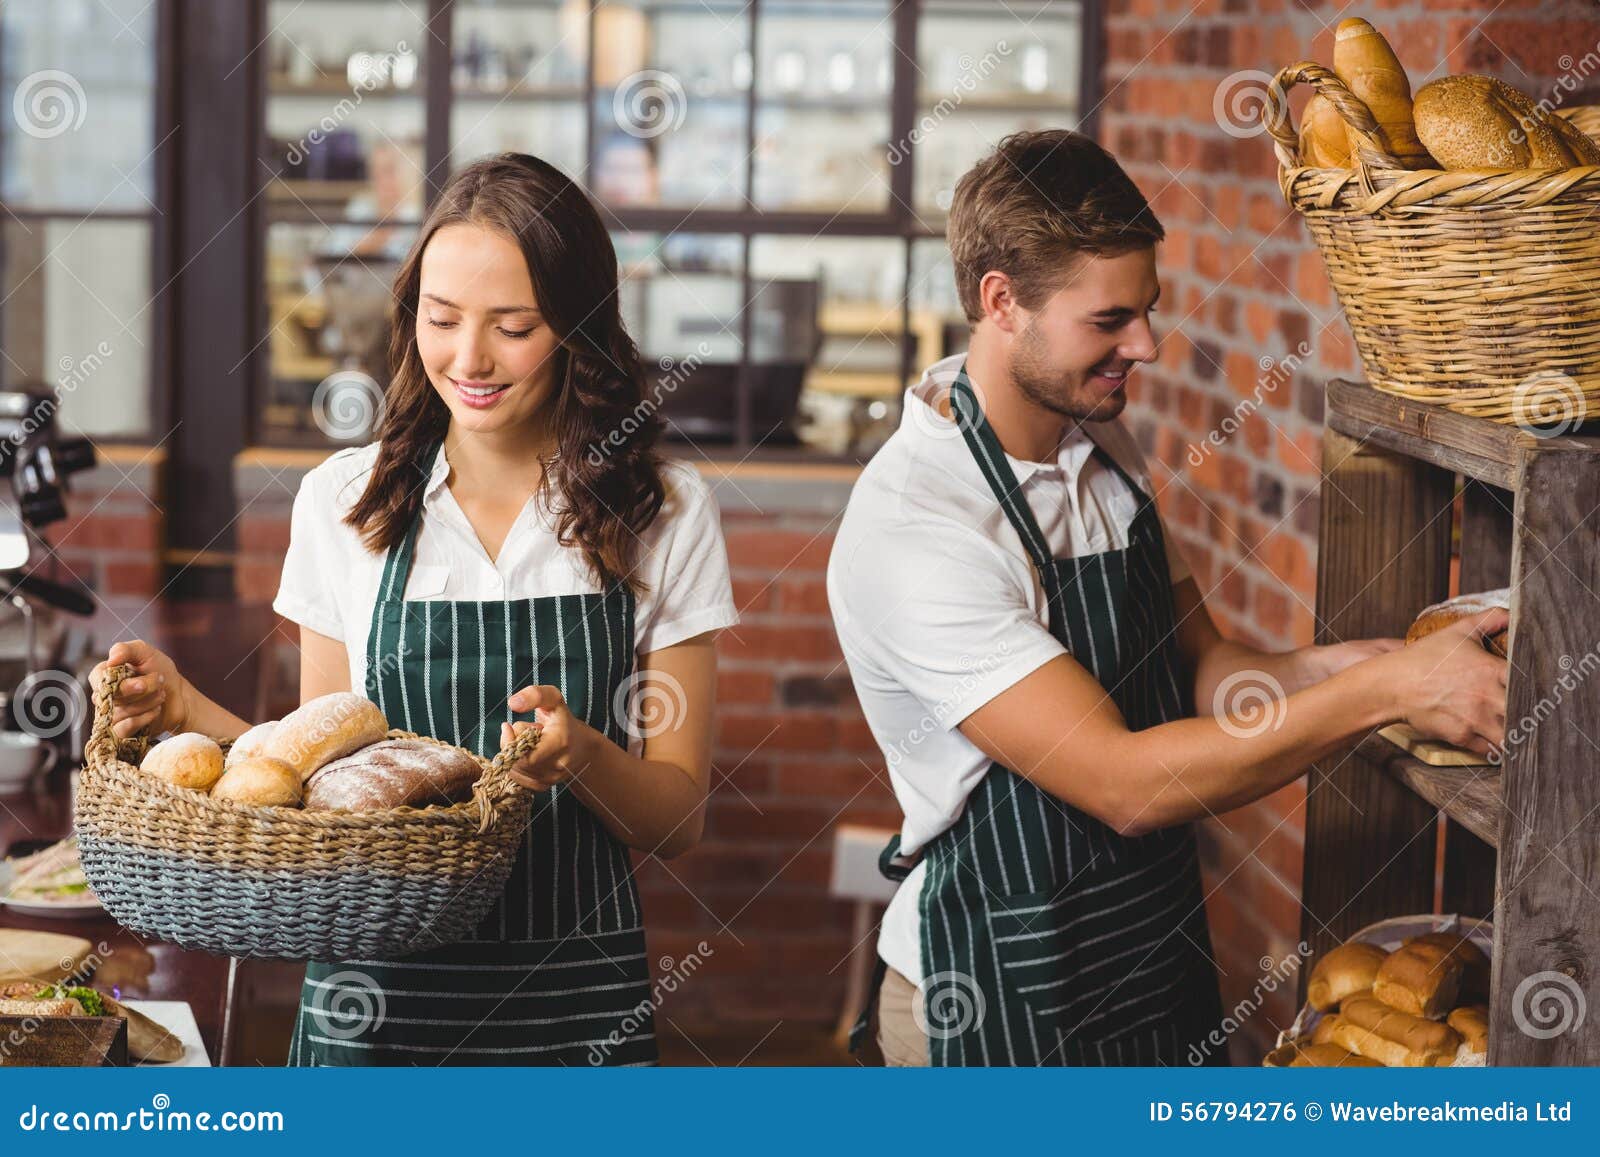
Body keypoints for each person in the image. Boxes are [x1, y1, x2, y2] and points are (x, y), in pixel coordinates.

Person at [826, 129, 1508, 1067]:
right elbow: (1125, 783)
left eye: (1147, 310)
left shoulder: (1100, 444)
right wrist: (1385, 698)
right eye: (1109, 320)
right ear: (1001, 302)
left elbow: (1207, 671)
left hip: (1152, 958)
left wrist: (1348, 667)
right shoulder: (918, 522)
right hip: (993, 992)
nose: (1143, 346)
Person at [93, 152, 738, 1066]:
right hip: (373, 1006)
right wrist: (185, 710)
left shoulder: (662, 511)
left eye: (513, 327)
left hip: (574, 1002)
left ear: (580, 326)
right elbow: (318, 783)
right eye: (441, 320)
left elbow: (679, 821)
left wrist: (581, 752)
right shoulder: (345, 500)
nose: (468, 359)